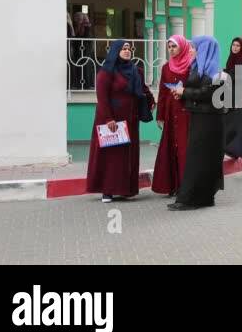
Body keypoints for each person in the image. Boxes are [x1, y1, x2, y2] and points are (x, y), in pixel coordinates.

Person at [86, 40, 155, 203]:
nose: (127, 51)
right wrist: (109, 118)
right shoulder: (106, 72)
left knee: (126, 155)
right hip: (112, 120)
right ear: (115, 51)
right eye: (123, 49)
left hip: (130, 119)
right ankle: (107, 191)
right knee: (111, 156)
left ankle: (125, 189)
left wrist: (150, 101)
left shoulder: (136, 70)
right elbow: (102, 98)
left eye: (129, 48)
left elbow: (143, 89)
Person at [167, 36, 227, 211]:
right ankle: (199, 197)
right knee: (198, 157)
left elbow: (207, 94)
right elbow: (198, 93)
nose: (191, 50)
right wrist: (183, 94)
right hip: (199, 117)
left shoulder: (216, 72)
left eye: (195, 48)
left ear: (205, 50)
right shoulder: (199, 68)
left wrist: (184, 91)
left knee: (202, 158)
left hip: (210, 121)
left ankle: (193, 199)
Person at [151, 35, 195, 197]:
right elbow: (162, 93)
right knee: (171, 147)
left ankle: (185, 185)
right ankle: (172, 185)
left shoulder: (191, 66)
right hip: (171, 111)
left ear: (182, 47)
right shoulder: (165, 67)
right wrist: (160, 115)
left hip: (186, 110)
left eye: (174, 46)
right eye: (169, 47)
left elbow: (193, 87)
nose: (171, 49)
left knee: (184, 148)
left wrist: (184, 94)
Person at [223, 37, 242, 156]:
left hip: (237, 95)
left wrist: (225, 75)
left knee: (235, 122)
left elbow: (238, 77)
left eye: (237, 46)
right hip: (231, 94)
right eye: (233, 45)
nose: (234, 48)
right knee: (232, 122)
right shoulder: (233, 58)